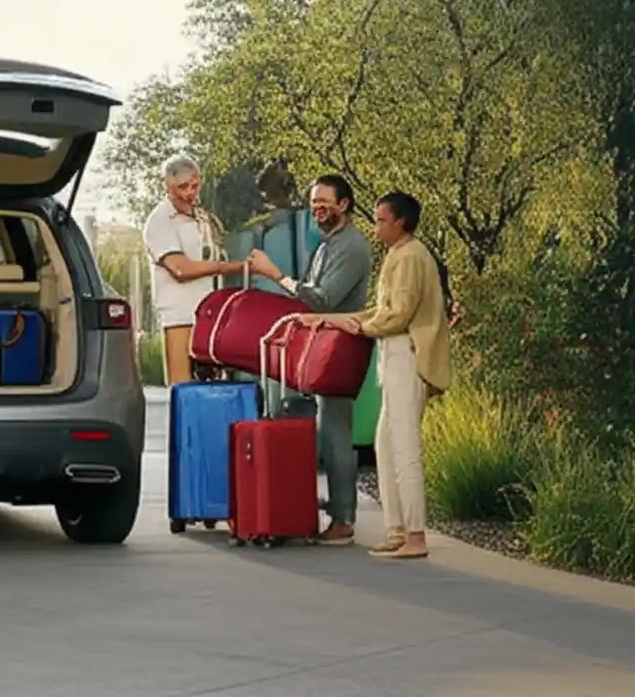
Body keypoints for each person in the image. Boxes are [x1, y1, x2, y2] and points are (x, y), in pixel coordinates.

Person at [298, 191, 451, 559]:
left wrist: (357, 329)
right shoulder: (398, 255)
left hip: (407, 355)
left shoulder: (412, 256)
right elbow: (377, 310)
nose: (376, 225)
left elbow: (396, 315)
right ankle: (397, 529)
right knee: (385, 445)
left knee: (405, 448)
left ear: (400, 222)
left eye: (382, 219)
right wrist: (325, 320)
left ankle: (415, 535)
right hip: (393, 354)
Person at [247, 174, 373, 546]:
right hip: (324, 347)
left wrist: (276, 275)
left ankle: (343, 520)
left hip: (341, 346)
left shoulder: (351, 247)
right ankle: (334, 508)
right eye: (314, 203)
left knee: (336, 433)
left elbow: (322, 300)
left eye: (324, 203)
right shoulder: (327, 245)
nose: (317, 209)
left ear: (345, 205)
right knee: (326, 429)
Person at [142, 155, 246, 385]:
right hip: (179, 314)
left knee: (212, 384)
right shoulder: (160, 221)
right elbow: (180, 268)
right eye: (182, 187)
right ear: (167, 186)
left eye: (194, 185)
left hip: (208, 311)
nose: (189, 192)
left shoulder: (201, 216)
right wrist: (227, 267)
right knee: (183, 387)